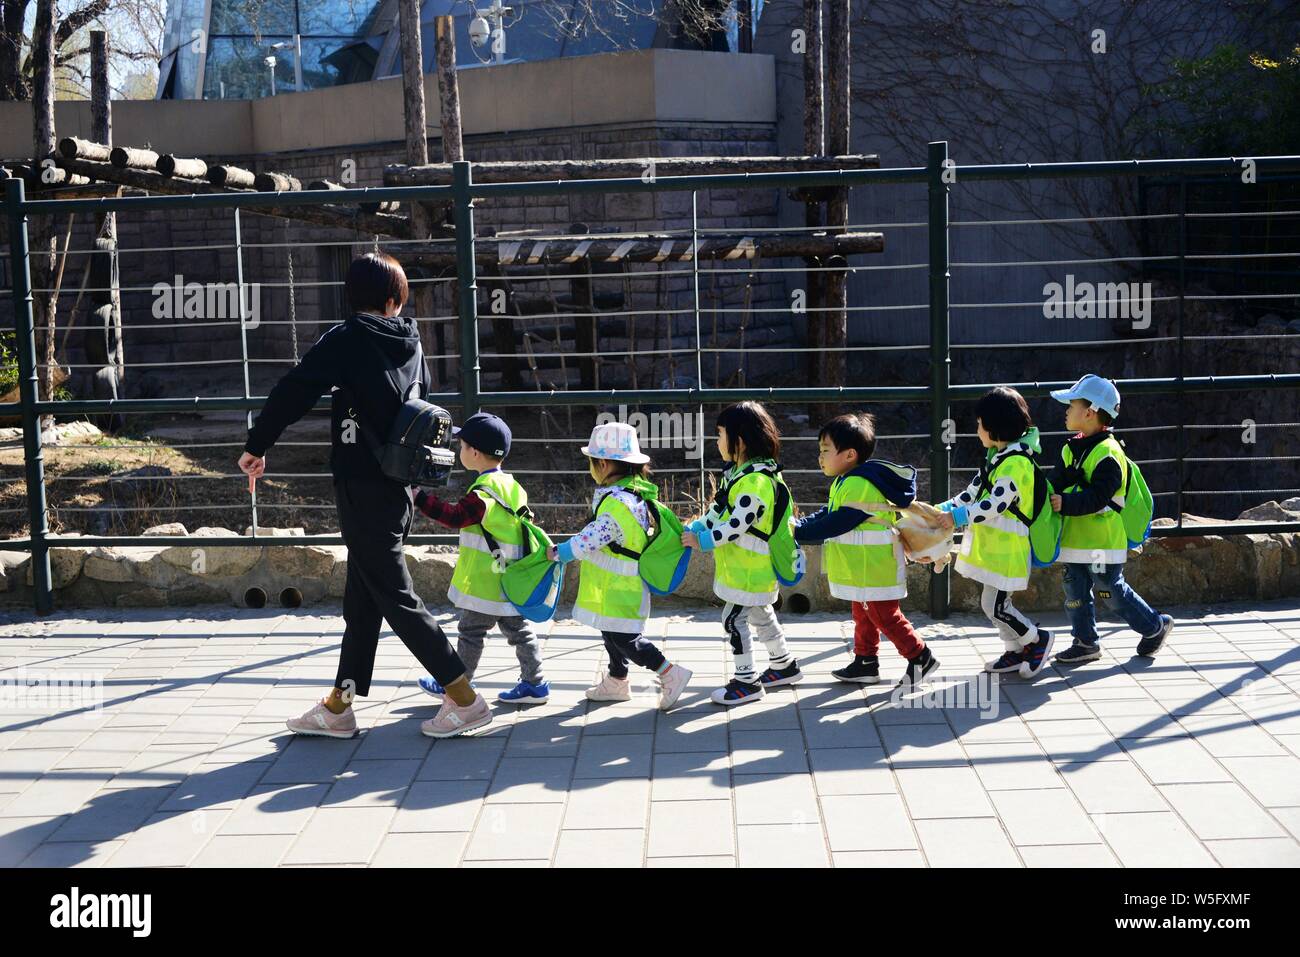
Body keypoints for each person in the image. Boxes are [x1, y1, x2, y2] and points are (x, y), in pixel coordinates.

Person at [238, 252, 490, 739]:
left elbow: (295, 390)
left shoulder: (348, 337)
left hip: (362, 488)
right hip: (401, 486)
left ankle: (465, 699)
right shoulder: (412, 340)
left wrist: (257, 445)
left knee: (395, 597)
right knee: (364, 598)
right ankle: (339, 707)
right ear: (395, 300)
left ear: (351, 298)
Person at [548, 422, 693, 710]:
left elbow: (592, 537)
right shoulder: (632, 496)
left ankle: (670, 672)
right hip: (616, 585)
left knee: (625, 638)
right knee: (610, 631)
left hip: (620, 586)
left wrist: (561, 552)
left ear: (601, 464)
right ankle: (617, 680)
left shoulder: (619, 503)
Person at [411, 412, 550, 704]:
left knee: (470, 631)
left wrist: (420, 497)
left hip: (487, 581)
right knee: (519, 631)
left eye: (461, 446)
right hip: (510, 577)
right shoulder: (512, 485)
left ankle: (456, 685)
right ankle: (535, 683)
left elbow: (455, 517)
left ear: (474, 452)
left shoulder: (484, 492)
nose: (459, 451)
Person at [795, 412, 939, 690]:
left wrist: (801, 533)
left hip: (875, 564)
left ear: (849, 454)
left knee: (884, 614)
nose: (820, 457)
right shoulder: (846, 480)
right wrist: (802, 524)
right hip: (862, 565)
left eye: (825, 450)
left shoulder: (859, 483)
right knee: (863, 612)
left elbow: (838, 522)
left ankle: (920, 656)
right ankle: (865, 662)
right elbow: (830, 513)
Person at [683, 402, 804, 706]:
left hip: (751, 569)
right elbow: (721, 510)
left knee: (733, 619)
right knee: (762, 615)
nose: (717, 440)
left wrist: (703, 541)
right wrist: (697, 527)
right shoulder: (740, 474)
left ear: (740, 441)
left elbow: (737, 525)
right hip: (747, 569)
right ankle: (783, 665)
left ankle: (746, 681)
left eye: (720, 434)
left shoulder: (755, 482)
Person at [1048, 374, 1174, 662]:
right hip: (1075, 538)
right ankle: (1085, 642)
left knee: (1108, 588)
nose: (1066, 410)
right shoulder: (1071, 448)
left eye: (1071, 404)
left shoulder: (1108, 453)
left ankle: (1154, 626)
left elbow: (1099, 497)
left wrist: (1065, 501)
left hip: (1101, 540)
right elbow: (1056, 480)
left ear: (1089, 412)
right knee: (1074, 589)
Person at [937, 387, 1054, 678]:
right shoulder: (997, 457)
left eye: (979, 424)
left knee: (997, 605)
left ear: (994, 427)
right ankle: (1014, 650)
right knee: (993, 604)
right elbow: (971, 494)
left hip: (1009, 548)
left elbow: (995, 504)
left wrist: (957, 517)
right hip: (996, 546)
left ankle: (1036, 640)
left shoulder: (1016, 464)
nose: (976, 429)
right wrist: (939, 510)